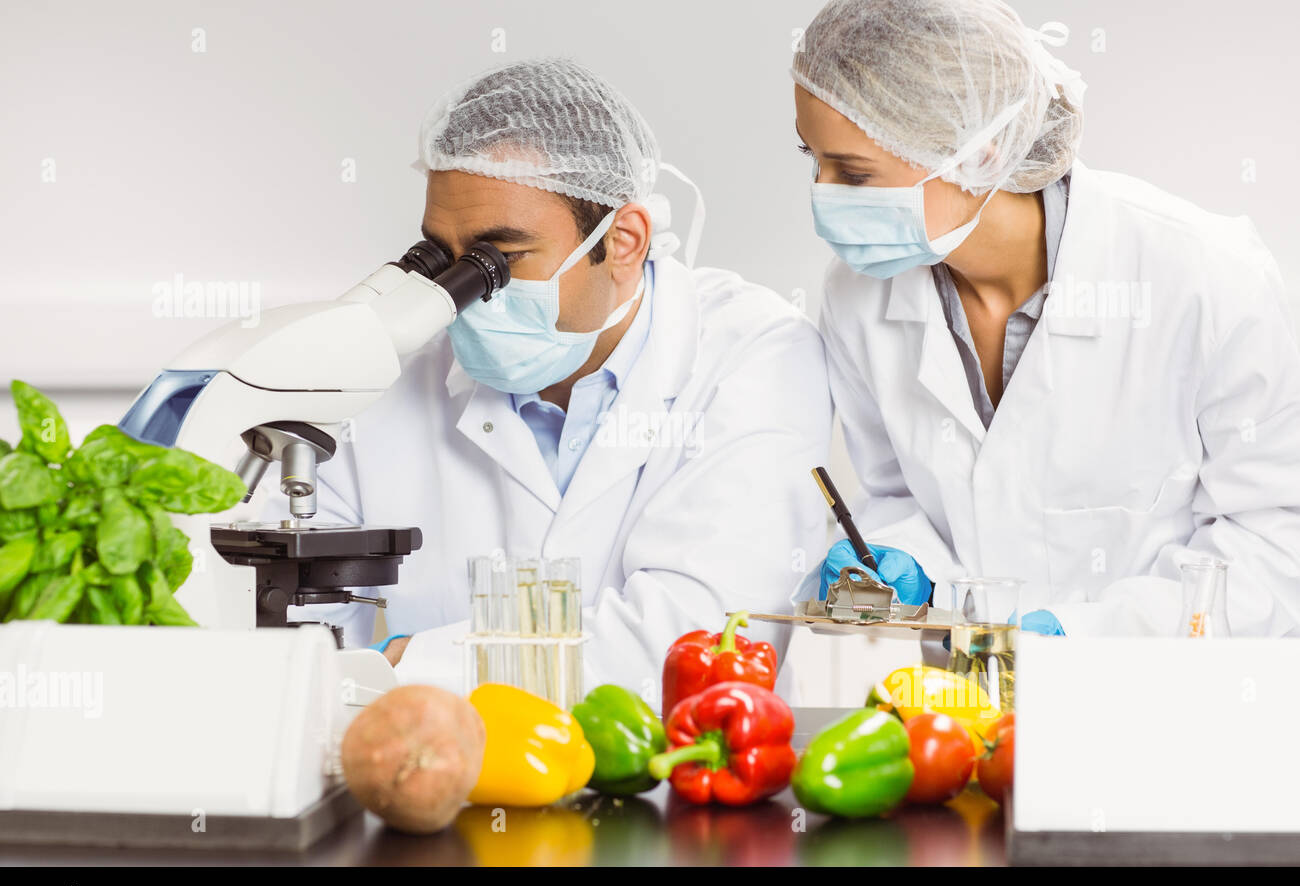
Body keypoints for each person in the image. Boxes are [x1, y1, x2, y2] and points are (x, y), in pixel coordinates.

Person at [275, 58, 832, 703]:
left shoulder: (754, 350)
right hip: (438, 777)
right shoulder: (389, 370)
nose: (462, 295)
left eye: (500, 260)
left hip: (673, 783)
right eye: (442, 257)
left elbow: (695, 645)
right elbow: (292, 645)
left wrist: (402, 665)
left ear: (623, 241)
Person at [793, 0, 1300, 636]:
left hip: (1164, 696)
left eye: (853, 173)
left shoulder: (1205, 276)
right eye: (811, 157)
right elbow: (898, 493)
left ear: (981, 151)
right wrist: (905, 563)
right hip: (964, 701)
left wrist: (1082, 639)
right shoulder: (857, 294)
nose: (821, 193)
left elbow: (1276, 544)